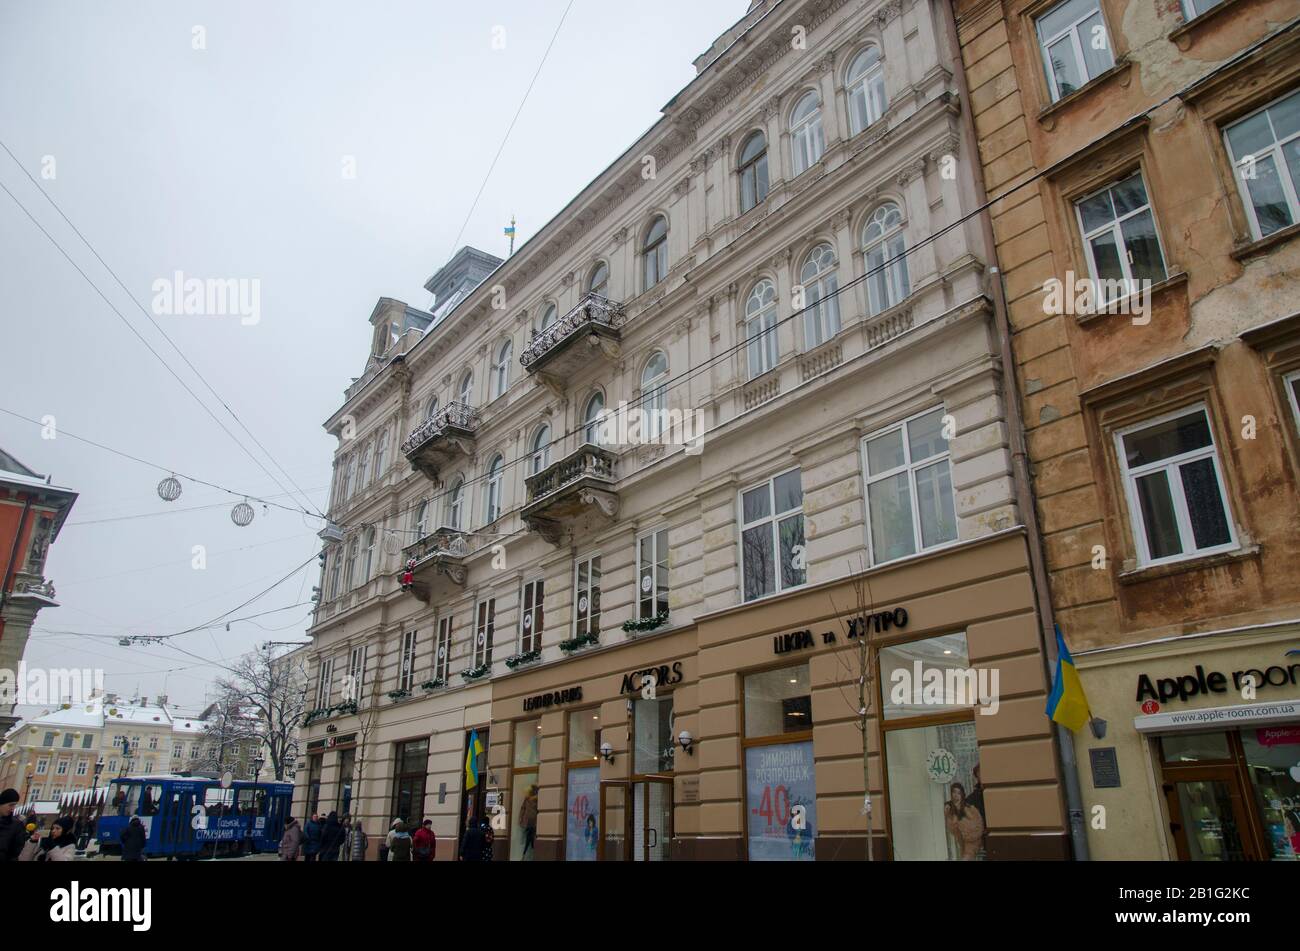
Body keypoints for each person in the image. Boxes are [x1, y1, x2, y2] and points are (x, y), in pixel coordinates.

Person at [944, 782, 985, 861]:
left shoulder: (968, 808)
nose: (956, 795)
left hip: (973, 842)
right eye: (954, 792)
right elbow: (953, 830)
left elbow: (975, 826)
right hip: (963, 843)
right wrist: (948, 815)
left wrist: (958, 817)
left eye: (959, 793)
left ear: (962, 795)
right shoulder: (951, 810)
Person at [0, 788, 26, 861]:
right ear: (2, 803)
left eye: (14, 805)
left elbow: (16, 853)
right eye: (11, 805)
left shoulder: (16, 826)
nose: (13, 808)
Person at [518, 785, 539, 858]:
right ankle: (527, 854)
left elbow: (539, 811)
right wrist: (520, 819)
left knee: (530, 839)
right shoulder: (527, 799)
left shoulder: (537, 799)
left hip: (533, 822)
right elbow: (523, 809)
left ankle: (526, 855)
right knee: (529, 839)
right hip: (528, 822)